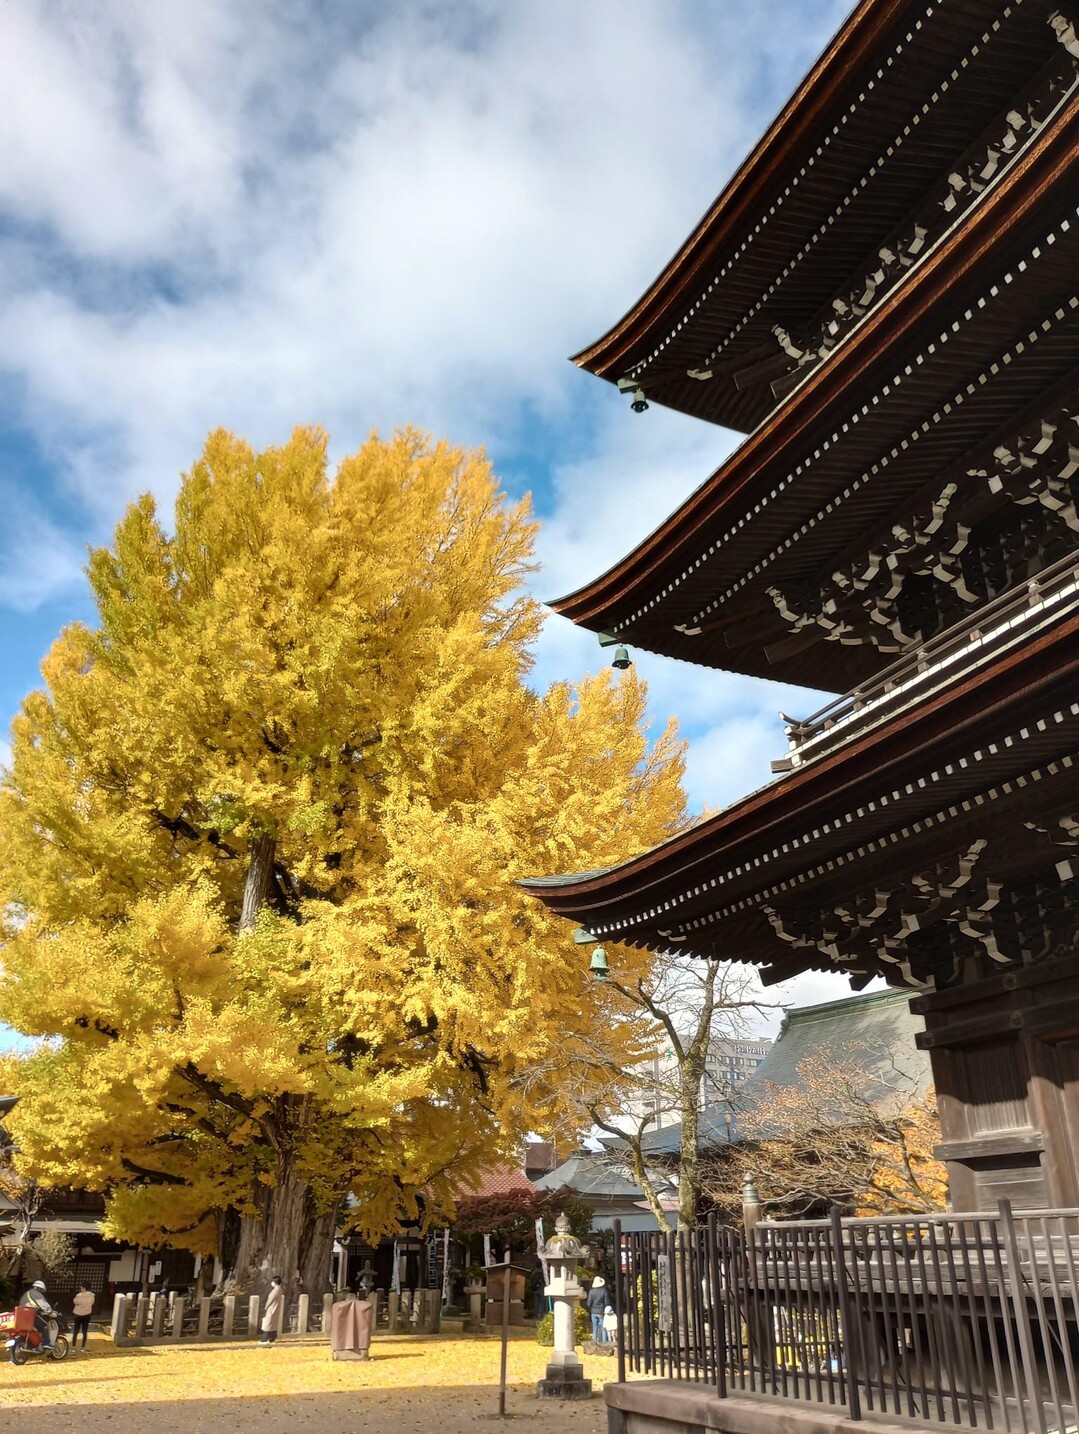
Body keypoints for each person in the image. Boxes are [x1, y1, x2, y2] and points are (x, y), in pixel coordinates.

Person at [19, 1279, 57, 1348]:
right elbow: (44, 1306)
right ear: (40, 1289)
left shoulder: (26, 1293)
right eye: (42, 1291)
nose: (42, 1292)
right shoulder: (37, 1294)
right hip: (31, 1316)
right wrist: (51, 1312)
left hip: (22, 1316)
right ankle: (46, 1343)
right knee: (45, 1326)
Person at [258, 1276, 284, 1346]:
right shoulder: (280, 1289)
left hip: (272, 1308)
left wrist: (266, 1306)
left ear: (274, 1282)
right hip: (276, 1307)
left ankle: (265, 1339)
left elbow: (270, 1300)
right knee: (273, 1323)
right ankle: (272, 1337)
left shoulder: (275, 1290)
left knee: (268, 1323)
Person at [586, 1274, 608, 1344]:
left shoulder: (591, 1292)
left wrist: (590, 1308)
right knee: (603, 1327)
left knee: (594, 1328)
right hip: (601, 1311)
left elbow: (589, 1303)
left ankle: (594, 1341)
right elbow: (607, 1302)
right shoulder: (604, 1291)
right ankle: (604, 1342)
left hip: (593, 1311)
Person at [71, 1284, 94, 1351]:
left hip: (78, 1314)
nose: (80, 1289)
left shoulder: (79, 1295)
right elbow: (92, 1303)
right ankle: (83, 1347)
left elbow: (75, 1302)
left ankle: (74, 1346)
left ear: (84, 1288)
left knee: (76, 1331)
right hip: (87, 1314)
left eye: (81, 1287)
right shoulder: (92, 1296)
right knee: (85, 1331)